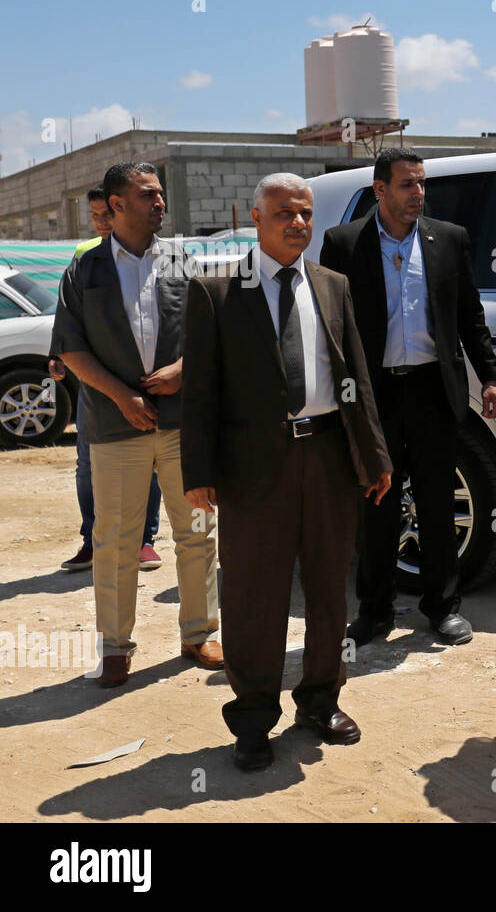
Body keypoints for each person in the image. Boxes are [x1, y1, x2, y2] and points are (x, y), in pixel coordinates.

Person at [182, 174, 392, 771]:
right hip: (253, 471)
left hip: (327, 460)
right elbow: (199, 394)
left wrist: (373, 456)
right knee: (255, 596)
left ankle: (320, 700)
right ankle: (252, 718)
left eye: (304, 214)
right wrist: (198, 471)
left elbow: (356, 380)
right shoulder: (216, 291)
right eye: (283, 214)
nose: (297, 223)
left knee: (328, 589)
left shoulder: (332, 285)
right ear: (254, 217)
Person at [321, 148, 496, 649]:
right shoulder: (343, 243)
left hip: (432, 390)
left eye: (422, 184)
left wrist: (489, 376)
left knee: (437, 503)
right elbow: (331, 327)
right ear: (380, 190)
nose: (418, 193)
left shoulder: (447, 240)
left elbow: (470, 314)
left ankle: (442, 608)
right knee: (376, 503)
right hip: (373, 394)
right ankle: (374, 611)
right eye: (406, 184)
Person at [52, 162, 220, 688]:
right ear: (117, 203)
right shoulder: (86, 269)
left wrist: (183, 370)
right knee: (117, 541)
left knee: (196, 531)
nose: (160, 203)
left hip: (179, 424)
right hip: (114, 424)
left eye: (161, 194)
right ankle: (115, 648)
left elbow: (208, 332)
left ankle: (199, 634)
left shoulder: (181, 260)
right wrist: (121, 395)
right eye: (148, 195)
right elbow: (71, 348)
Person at [52, 185, 163, 573]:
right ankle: (92, 539)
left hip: (151, 386)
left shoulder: (164, 256)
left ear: (118, 210)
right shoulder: (85, 258)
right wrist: (59, 356)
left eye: (106, 214)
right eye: (95, 215)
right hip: (98, 390)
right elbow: (70, 318)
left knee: (151, 461)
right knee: (87, 465)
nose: (101, 221)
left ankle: (145, 541)